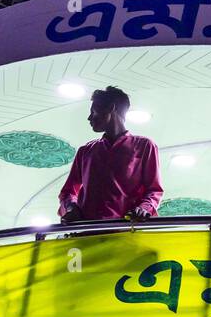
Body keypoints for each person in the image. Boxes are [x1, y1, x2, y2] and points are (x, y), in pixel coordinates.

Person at [58, 86, 163, 223]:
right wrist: (72, 208)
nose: (89, 118)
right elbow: (68, 192)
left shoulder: (144, 146)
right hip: (87, 232)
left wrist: (144, 208)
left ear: (111, 108)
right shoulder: (85, 151)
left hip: (126, 231)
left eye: (93, 112)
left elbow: (154, 190)